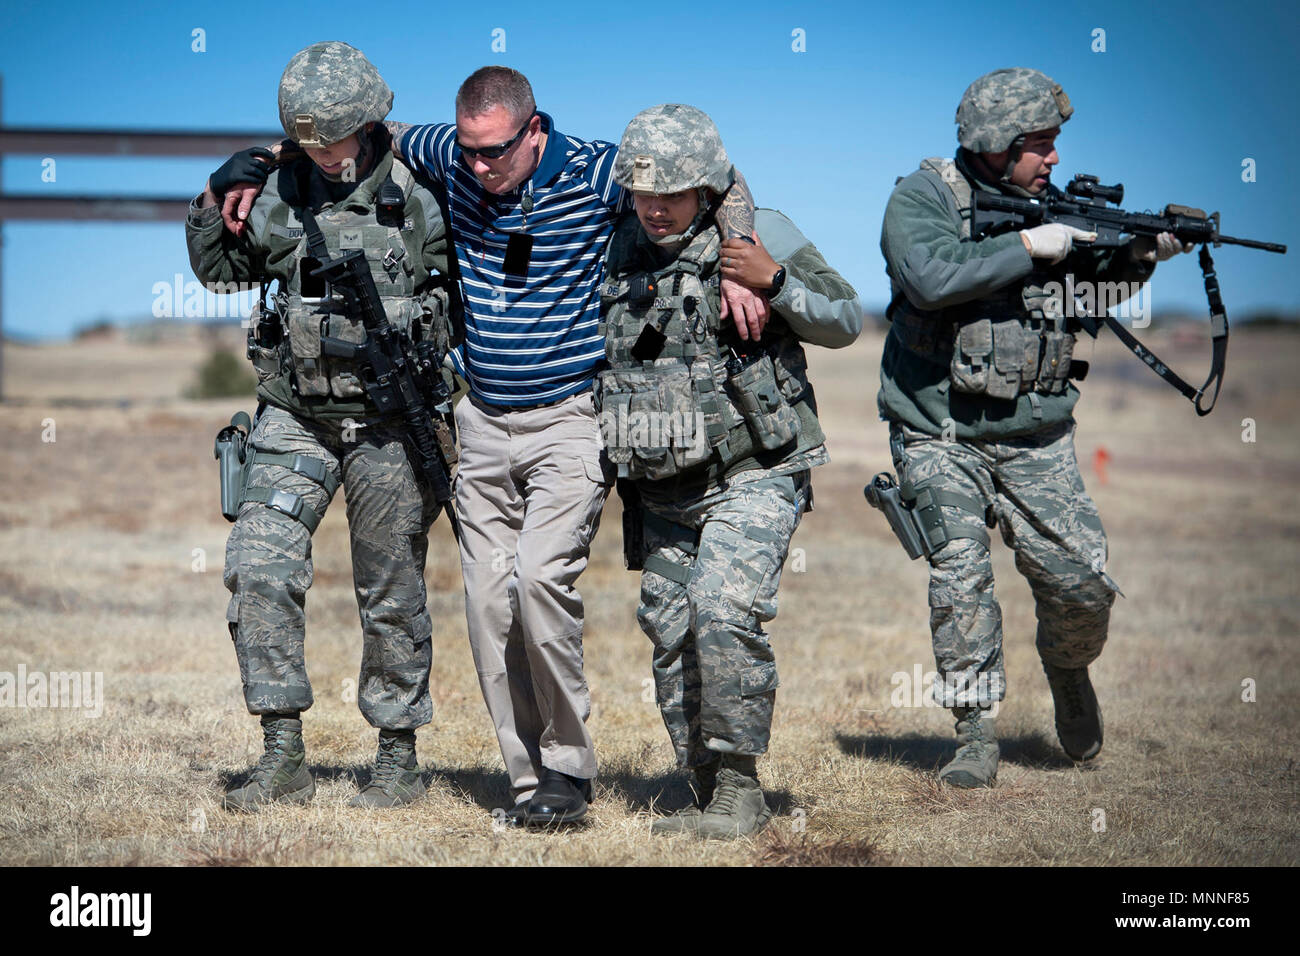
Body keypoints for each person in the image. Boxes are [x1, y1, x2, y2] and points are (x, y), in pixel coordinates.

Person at [218, 66, 765, 827]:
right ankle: (530, 778)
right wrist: (259, 159)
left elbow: (716, 173)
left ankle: (570, 771)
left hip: (571, 418)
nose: (480, 166)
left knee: (540, 582)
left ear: (535, 132)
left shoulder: (601, 170)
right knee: (486, 603)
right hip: (480, 422)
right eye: (470, 151)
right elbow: (354, 139)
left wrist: (741, 252)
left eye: (497, 151)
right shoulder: (448, 156)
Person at [877, 68, 1194, 787]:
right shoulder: (923, 197)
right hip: (937, 429)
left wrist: (1144, 254)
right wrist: (1030, 246)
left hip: (1036, 433)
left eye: (1055, 146)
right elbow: (928, 278)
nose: (1052, 159)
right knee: (960, 580)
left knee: (1081, 585)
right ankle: (974, 733)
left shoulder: (1059, 206)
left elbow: (1091, 294)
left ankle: (1069, 667)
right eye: (1040, 145)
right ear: (995, 145)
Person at [186, 41, 456, 810]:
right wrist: (214, 193)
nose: (324, 154)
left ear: (372, 122)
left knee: (390, 586)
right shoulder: (275, 189)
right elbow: (217, 272)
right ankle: (282, 753)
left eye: (335, 138)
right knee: (259, 566)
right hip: (296, 416)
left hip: (389, 423)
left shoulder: (425, 189)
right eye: (308, 141)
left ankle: (397, 755)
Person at [600, 104, 862, 839]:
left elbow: (844, 320)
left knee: (723, 610)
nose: (654, 209)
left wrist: (773, 281)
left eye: (673, 196)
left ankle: (741, 791)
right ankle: (705, 782)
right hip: (660, 481)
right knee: (670, 627)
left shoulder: (760, 229)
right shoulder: (614, 236)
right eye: (643, 194)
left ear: (708, 188)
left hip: (754, 468)